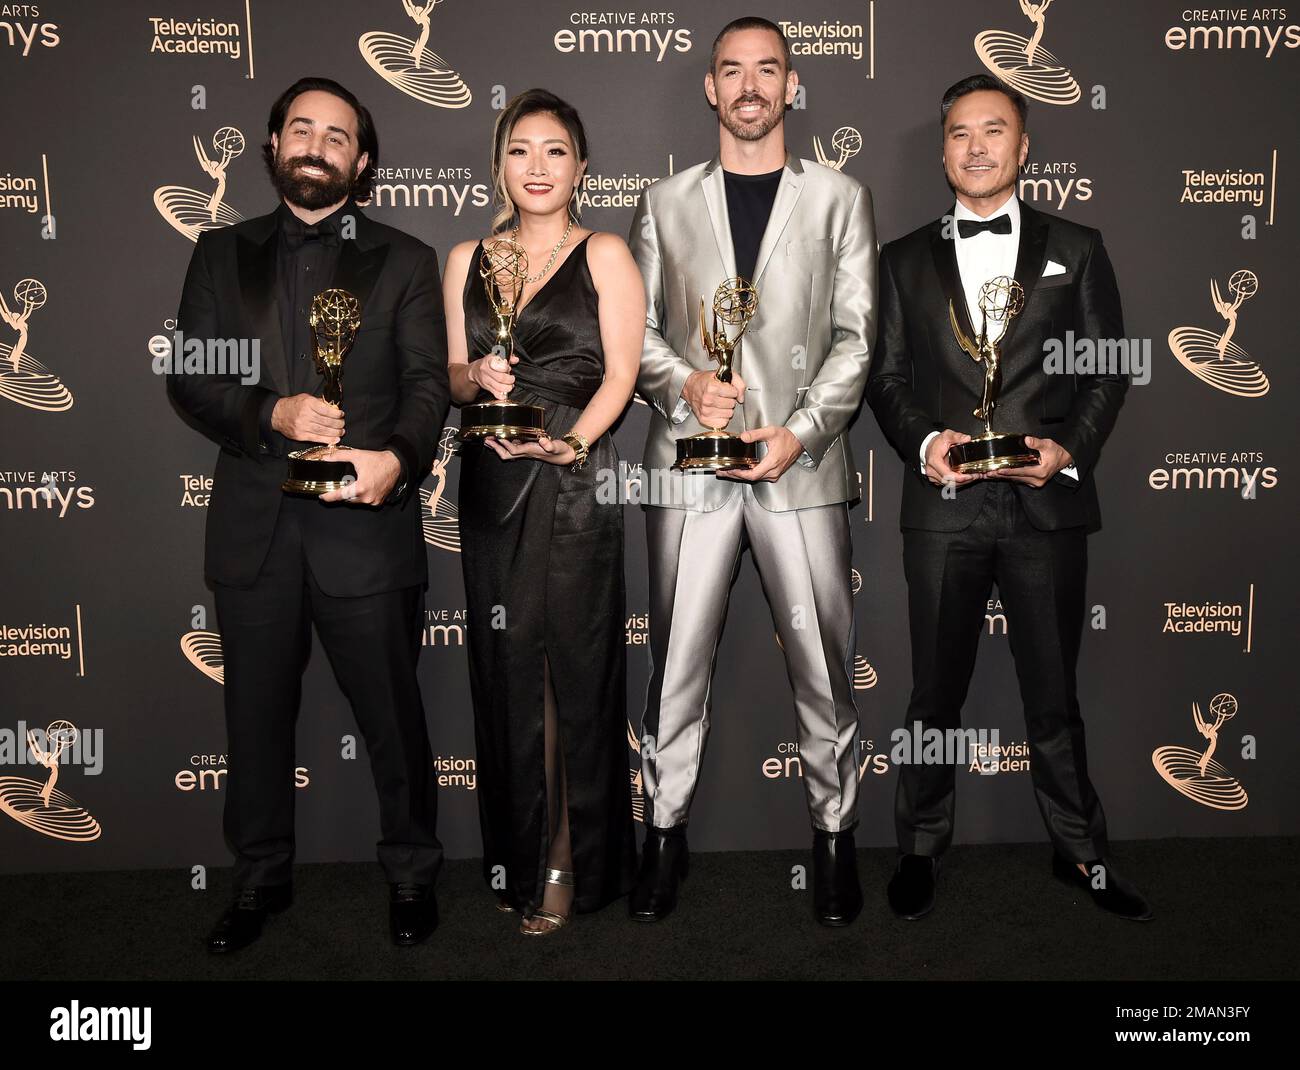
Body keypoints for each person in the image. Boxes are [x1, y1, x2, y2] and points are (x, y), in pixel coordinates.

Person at [168, 76, 450, 952]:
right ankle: (258, 884)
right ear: (272, 145)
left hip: (364, 532)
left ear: (361, 162)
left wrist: (397, 462)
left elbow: (427, 386)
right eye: (302, 129)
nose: (317, 146)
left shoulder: (405, 258)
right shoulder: (220, 253)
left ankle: (411, 875)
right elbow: (191, 377)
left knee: (396, 724)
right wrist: (271, 414)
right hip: (255, 534)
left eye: (337, 135)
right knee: (252, 726)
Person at [865, 73, 1151, 922]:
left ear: (1023, 148)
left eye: (995, 131)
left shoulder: (1081, 247)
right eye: (960, 133)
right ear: (944, 149)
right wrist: (925, 444)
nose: (978, 146)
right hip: (945, 506)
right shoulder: (902, 259)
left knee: (1053, 693)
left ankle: (1081, 853)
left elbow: (1107, 370)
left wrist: (1068, 451)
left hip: (1045, 505)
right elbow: (886, 378)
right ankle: (920, 846)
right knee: (933, 694)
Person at [628, 17, 878, 926]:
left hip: (799, 474)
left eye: (766, 70)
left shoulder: (841, 198)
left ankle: (836, 834)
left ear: (791, 84)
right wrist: (685, 382)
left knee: (823, 667)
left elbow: (856, 340)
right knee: (675, 665)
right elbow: (639, 336)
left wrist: (801, 433)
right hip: (689, 470)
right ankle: (664, 836)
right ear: (709, 86)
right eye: (731, 70)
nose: (749, 86)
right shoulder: (661, 202)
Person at [443, 89, 643, 935]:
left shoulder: (605, 255)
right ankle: (515, 857)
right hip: (491, 479)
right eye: (520, 150)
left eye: (555, 151)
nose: (537, 166)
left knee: (571, 675)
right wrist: (474, 382)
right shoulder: (464, 259)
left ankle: (568, 859)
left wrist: (573, 447)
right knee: (506, 674)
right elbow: (451, 375)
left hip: (570, 479)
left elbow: (623, 373)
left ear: (581, 168)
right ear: (499, 165)